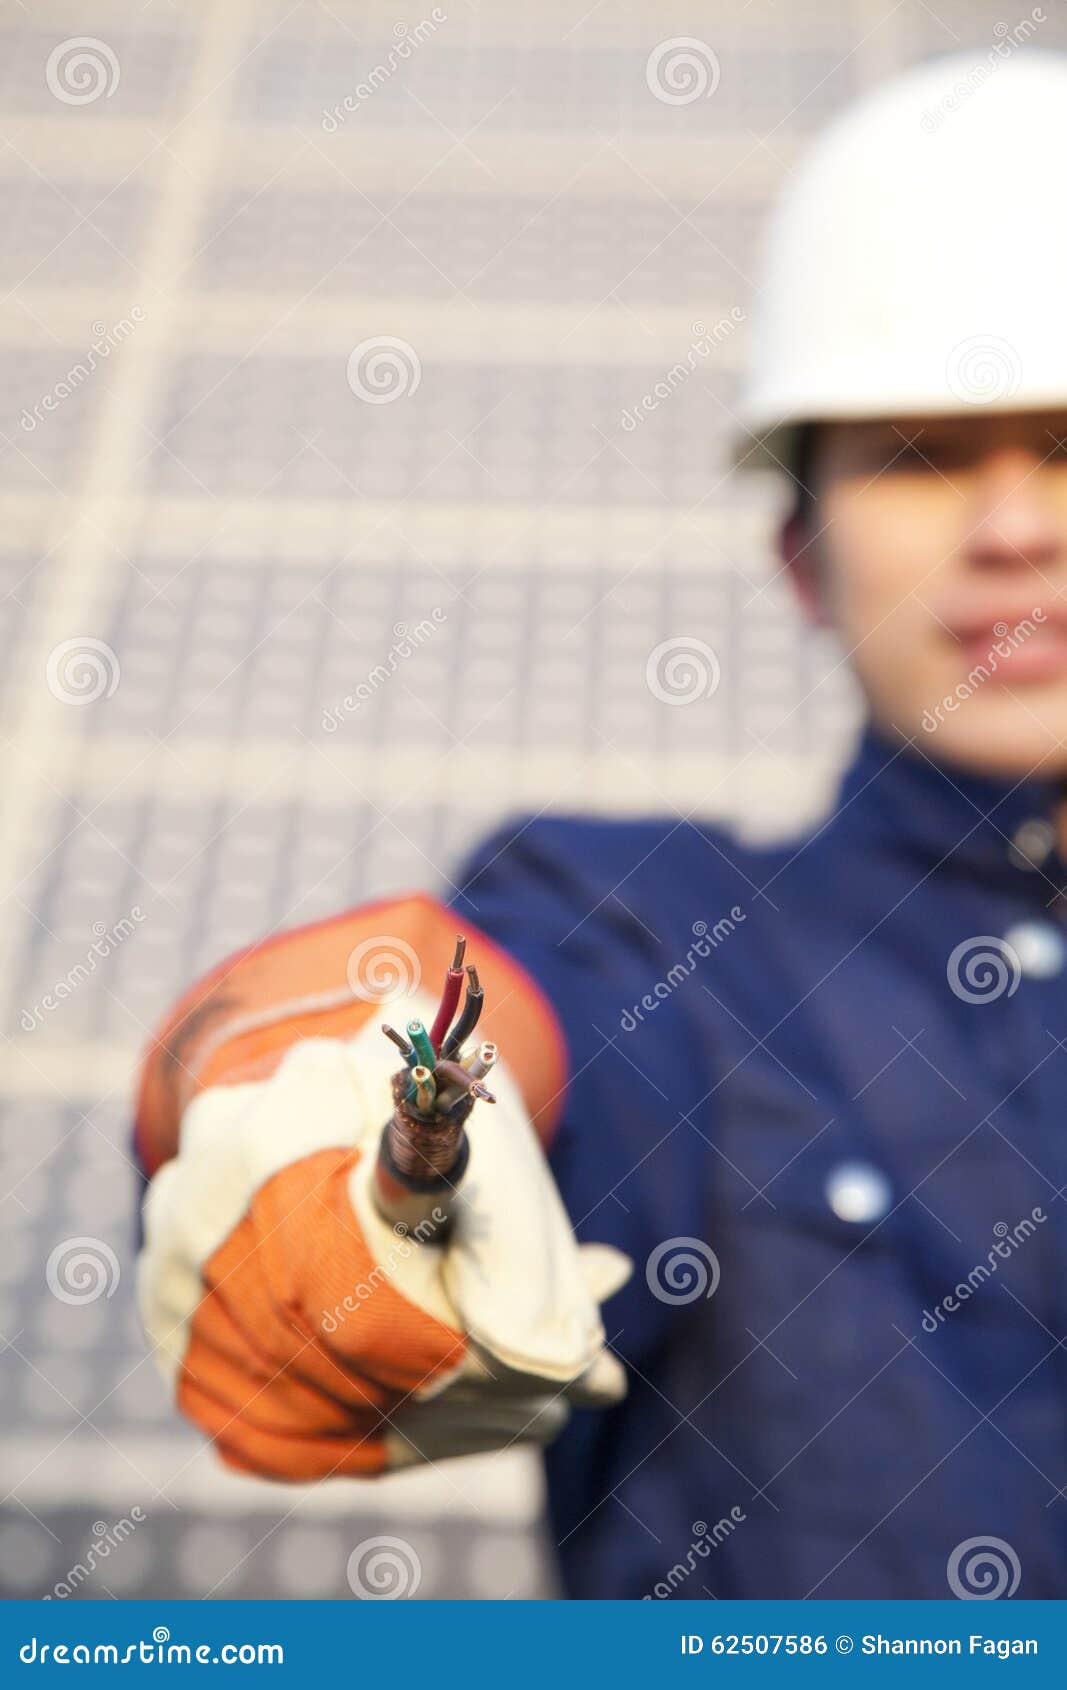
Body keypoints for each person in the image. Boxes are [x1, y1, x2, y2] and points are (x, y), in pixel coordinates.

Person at [133, 49, 1067, 1599]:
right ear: (798, 554)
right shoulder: (665, 933)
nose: (1014, 525)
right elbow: (471, 1020)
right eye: (919, 454)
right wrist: (291, 1108)